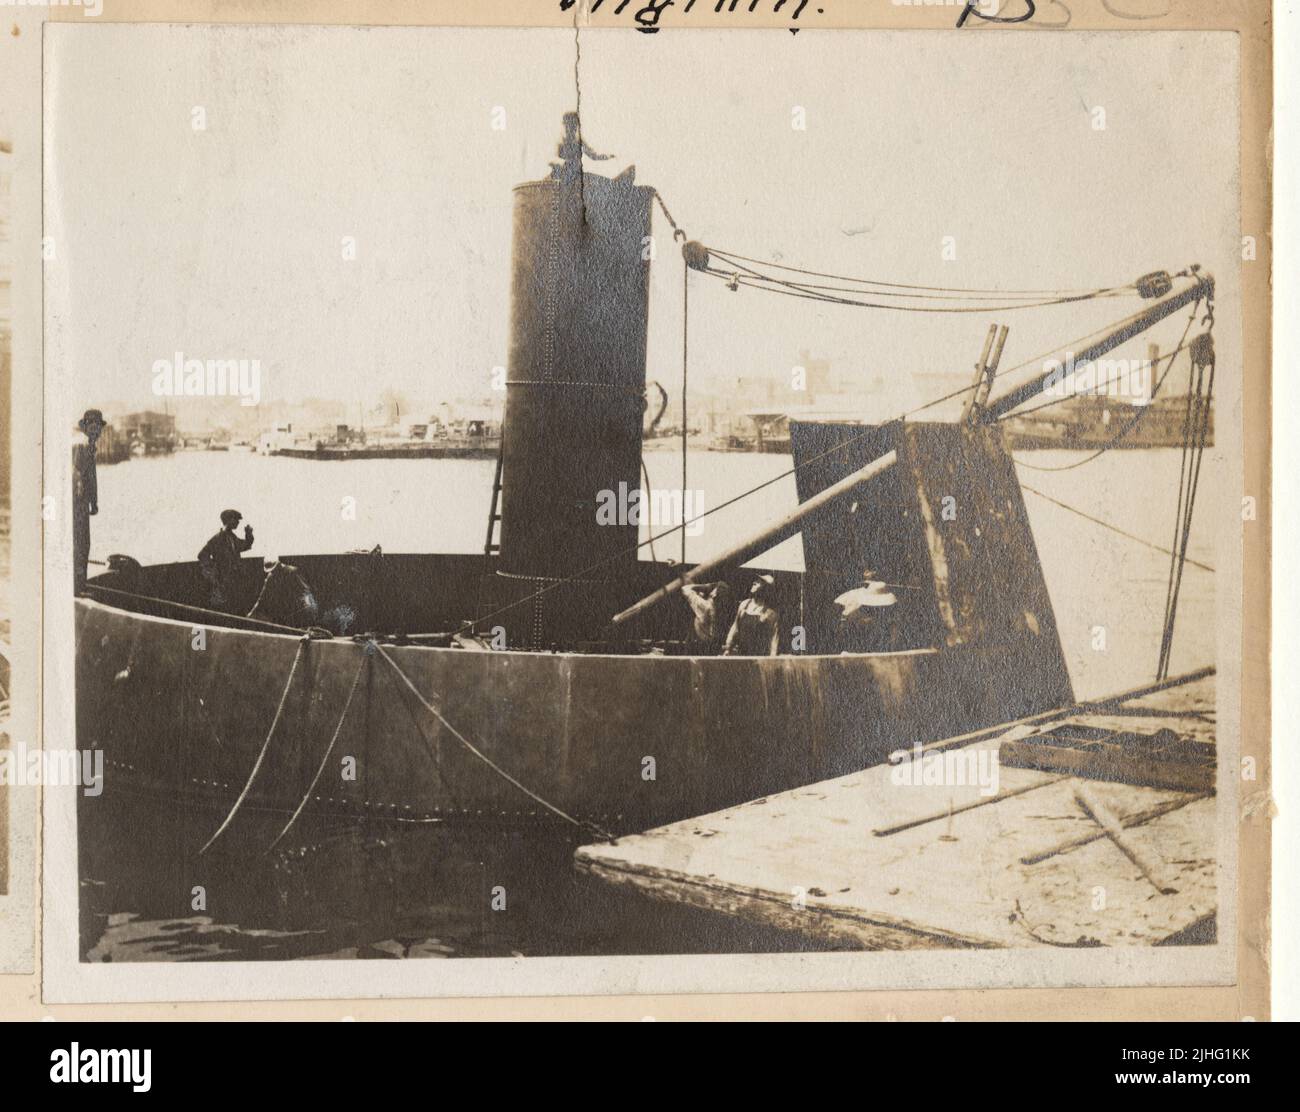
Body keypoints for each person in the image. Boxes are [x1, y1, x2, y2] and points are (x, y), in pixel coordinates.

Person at [72, 409, 104, 592]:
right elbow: (77, 472)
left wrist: (94, 501)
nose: (96, 430)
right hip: (77, 503)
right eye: (92, 426)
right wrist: (85, 500)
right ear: (86, 427)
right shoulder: (82, 444)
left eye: (98, 427)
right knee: (81, 542)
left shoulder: (88, 444)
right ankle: (78, 587)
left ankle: (79, 584)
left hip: (82, 502)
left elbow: (91, 476)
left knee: (82, 542)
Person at [197, 509, 255, 611]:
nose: (238, 522)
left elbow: (245, 545)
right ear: (229, 520)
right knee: (223, 606)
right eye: (236, 519)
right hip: (222, 579)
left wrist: (248, 534)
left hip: (233, 578)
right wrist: (212, 572)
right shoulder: (218, 538)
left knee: (234, 605)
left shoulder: (232, 537)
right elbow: (202, 554)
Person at [722, 574, 781, 657]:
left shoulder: (770, 614)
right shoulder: (744, 604)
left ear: (766, 588)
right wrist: (728, 647)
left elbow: (774, 640)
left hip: (758, 657)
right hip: (741, 654)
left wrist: (772, 661)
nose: (754, 582)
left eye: (759, 582)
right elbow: (735, 627)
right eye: (756, 580)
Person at [681, 580, 734, 653]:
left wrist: (704, 586)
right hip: (713, 645)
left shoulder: (705, 606)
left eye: (712, 589)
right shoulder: (722, 609)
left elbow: (685, 588)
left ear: (714, 595)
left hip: (700, 645)